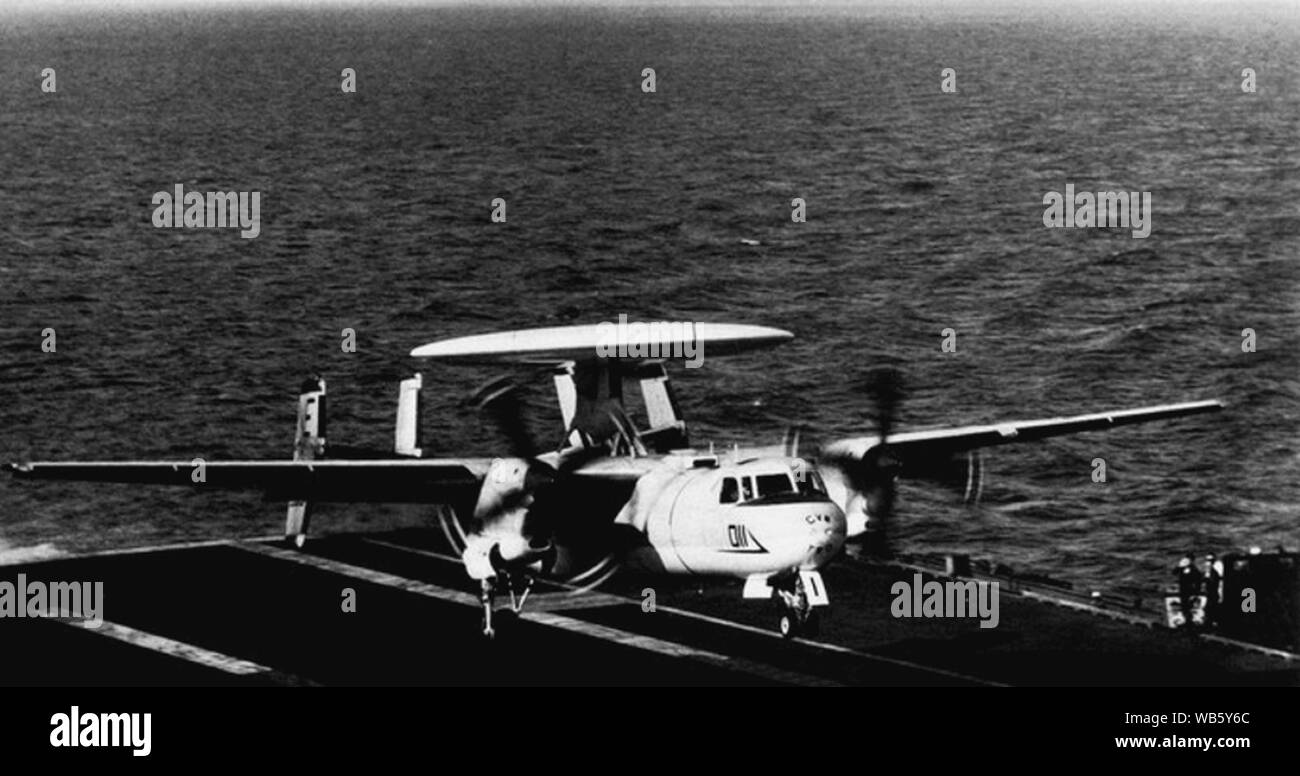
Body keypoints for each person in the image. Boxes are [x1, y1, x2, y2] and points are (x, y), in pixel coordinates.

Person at [1176, 555, 1203, 629]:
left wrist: (1196, 591)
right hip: (1183, 590)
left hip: (1189, 590)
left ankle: (1189, 623)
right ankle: (1187, 622)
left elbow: (1199, 579)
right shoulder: (1182, 567)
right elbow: (1174, 572)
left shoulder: (1193, 569)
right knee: (1184, 607)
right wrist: (1180, 566)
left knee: (1188, 607)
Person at [1203, 553, 1224, 627]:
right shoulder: (1211, 567)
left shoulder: (1216, 567)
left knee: (1213, 606)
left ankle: (1213, 622)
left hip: (1215, 590)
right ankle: (1213, 622)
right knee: (1212, 606)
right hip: (1212, 590)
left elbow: (1213, 579)